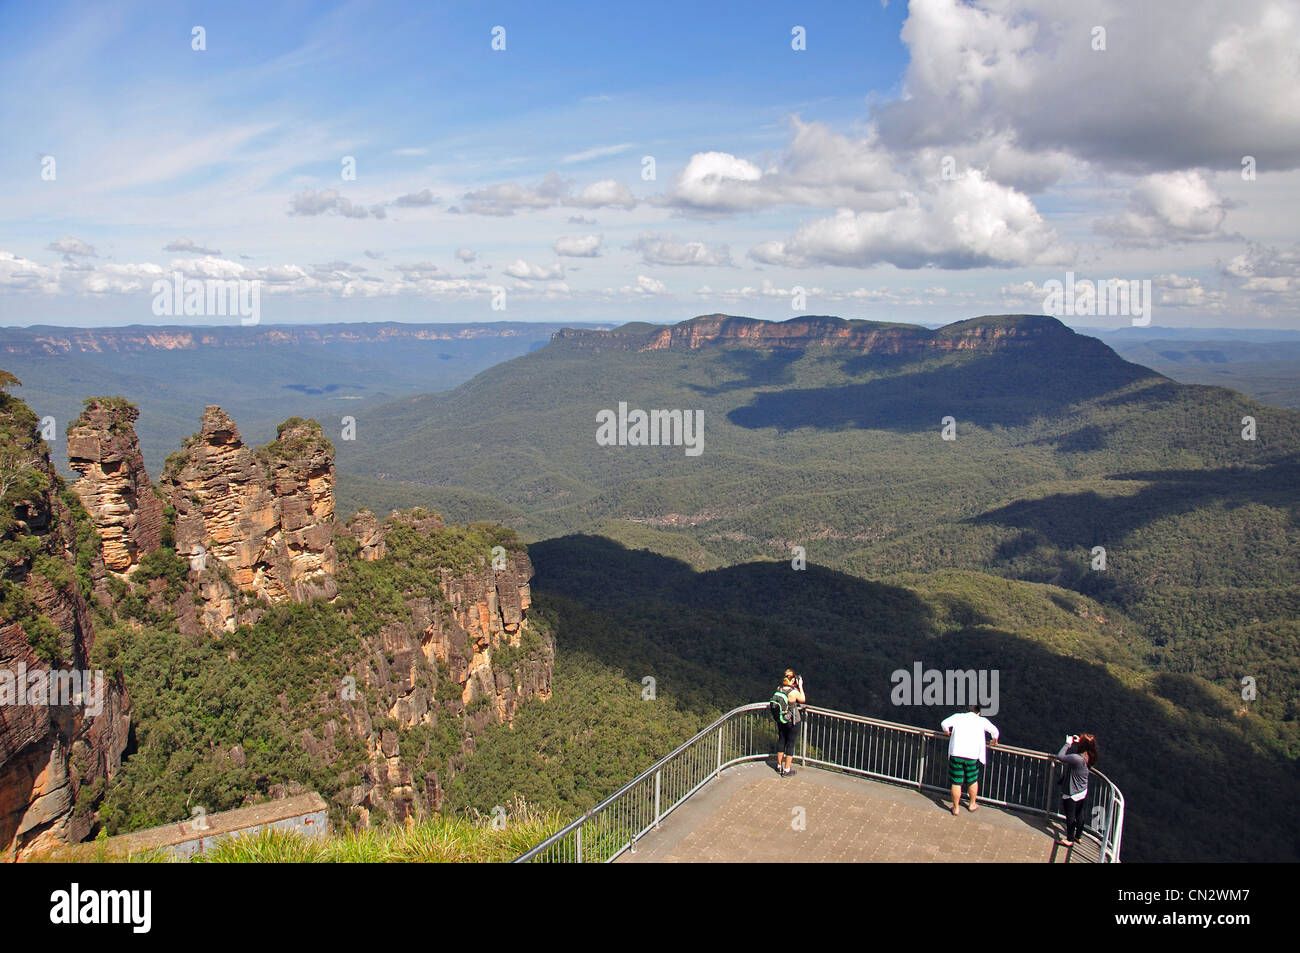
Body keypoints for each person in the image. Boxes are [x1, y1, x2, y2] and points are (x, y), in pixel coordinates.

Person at [940, 704, 1000, 815]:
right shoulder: (982, 720)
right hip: (972, 756)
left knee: (956, 782)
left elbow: (944, 723)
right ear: (978, 713)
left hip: (956, 753)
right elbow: (995, 731)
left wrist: (946, 732)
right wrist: (994, 740)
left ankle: (956, 808)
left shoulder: (958, 717)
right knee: (972, 780)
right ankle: (972, 804)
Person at [1054, 733, 1099, 847]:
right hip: (1082, 790)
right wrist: (1081, 743)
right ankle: (1078, 836)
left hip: (1072, 792)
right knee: (1079, 814)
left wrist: (1067, 744)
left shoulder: (1076, 758)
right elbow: (1085, 750)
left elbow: (1060, 756)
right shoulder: (1090, 756)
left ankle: (1069, 839)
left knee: (1070, 816)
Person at [770, 670, 805, 777]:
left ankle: (779, 766)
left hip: (781, 720)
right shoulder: (793, 692)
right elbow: (802, 699)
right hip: (792, 720)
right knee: (790, 744)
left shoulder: (779, 689)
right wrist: (800, 686)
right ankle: (787, 769)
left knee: (781, 740)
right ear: (793, 679)